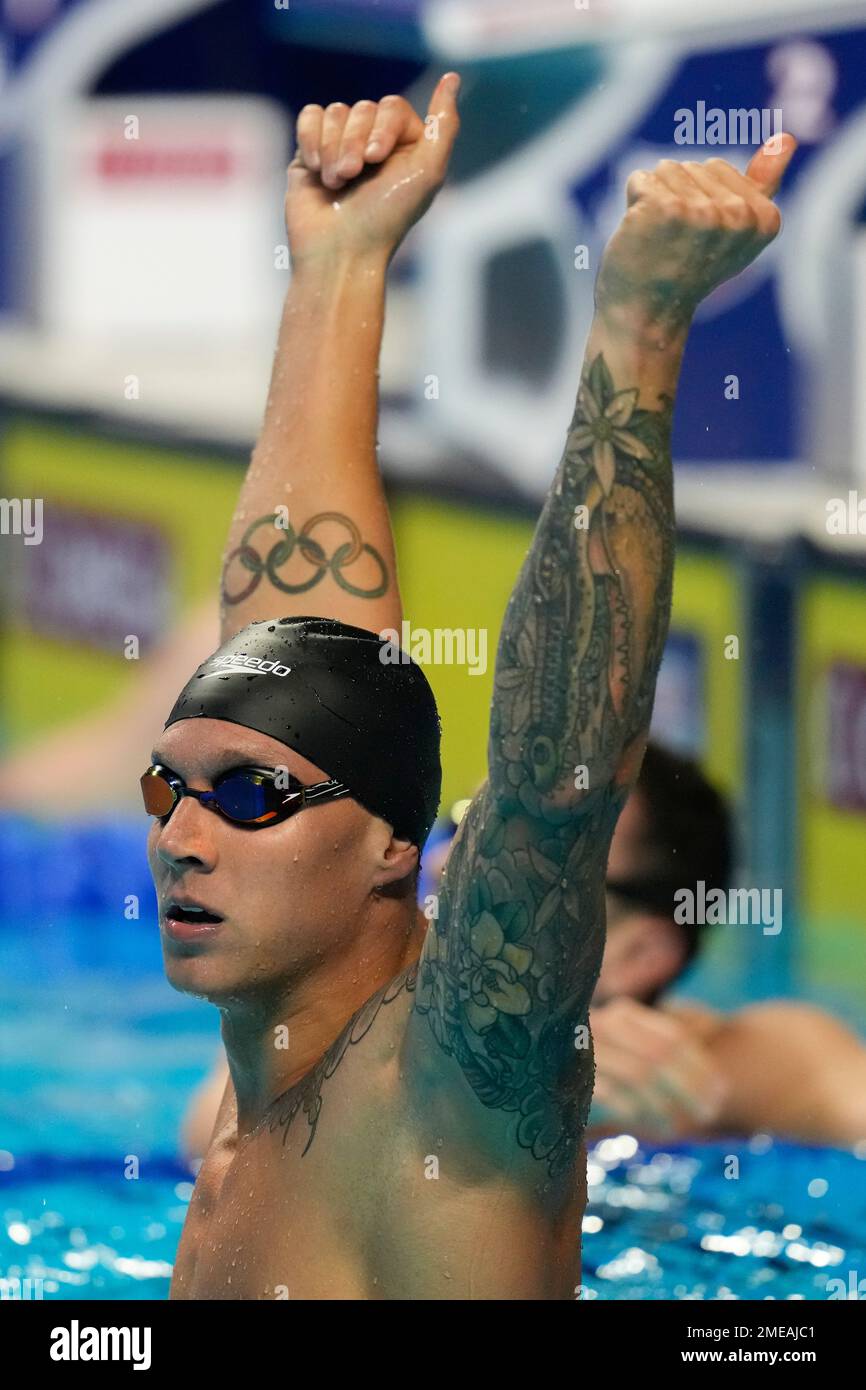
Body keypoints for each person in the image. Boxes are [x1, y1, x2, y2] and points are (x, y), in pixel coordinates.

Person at [144, 72, 795, 1299]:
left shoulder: (446, 1090)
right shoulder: (258, 1084)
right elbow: (293, 654)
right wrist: (341, 268)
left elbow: (560, 772)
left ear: (397, 846)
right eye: (168, 791)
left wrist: (640, 332)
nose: (180, 836)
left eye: (243, 801)